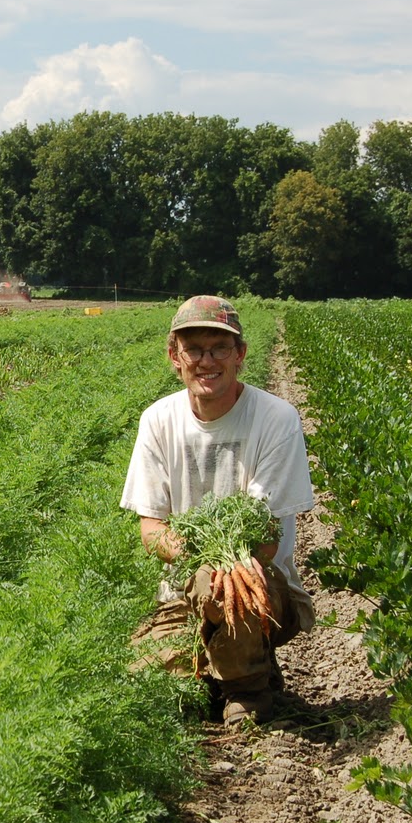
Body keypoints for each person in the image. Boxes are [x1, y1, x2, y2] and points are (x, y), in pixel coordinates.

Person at [121, 295, 316, 726]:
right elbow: (151, 527)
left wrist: (224, 571)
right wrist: (195, 560)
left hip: (260, 585)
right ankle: (227, 665)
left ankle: (249, 692)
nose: (206, 361)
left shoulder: (276, 418)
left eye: (220, 348)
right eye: (194, 349)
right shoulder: (158, 420)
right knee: (150, 678)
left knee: (227, 587)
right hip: (183, 589)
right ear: (175, 356)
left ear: (240, 354)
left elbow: (265, 539)